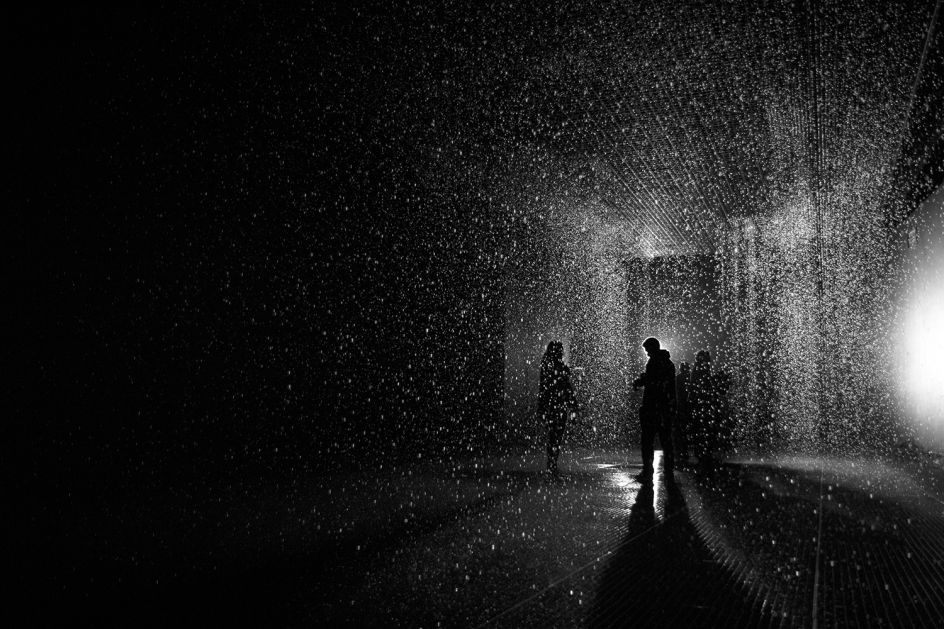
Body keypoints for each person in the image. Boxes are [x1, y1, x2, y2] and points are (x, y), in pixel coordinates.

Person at [632, 337, 676, 481]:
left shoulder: (655, 362)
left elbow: (654, 382)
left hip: (654, 408)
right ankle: (668, 471)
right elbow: (665, 384)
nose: (646, 353)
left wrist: (641, 381)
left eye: (647, 350)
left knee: (648, 441)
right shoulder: (667, 363)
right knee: (666, 441)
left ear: (653, 348)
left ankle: (648, 470)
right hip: (664, 408)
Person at [539, 341, 575, 475]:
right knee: (556, 435)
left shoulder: (547, 365)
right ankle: (552, 462)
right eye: (560, 350)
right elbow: (566, 387)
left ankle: (552, 462)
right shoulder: (557, 367)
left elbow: (543, 388)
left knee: (554, 435)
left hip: (552, 404)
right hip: (558, 404)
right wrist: (572, 404)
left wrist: (542, 407)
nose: (562, 352)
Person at [675, 361, 692, 465]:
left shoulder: (679, 378)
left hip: (680, 406)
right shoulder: (688, 378)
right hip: (686, 406)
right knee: (685, 431)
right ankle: (683, 452)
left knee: (680, 431)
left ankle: (681, 452)